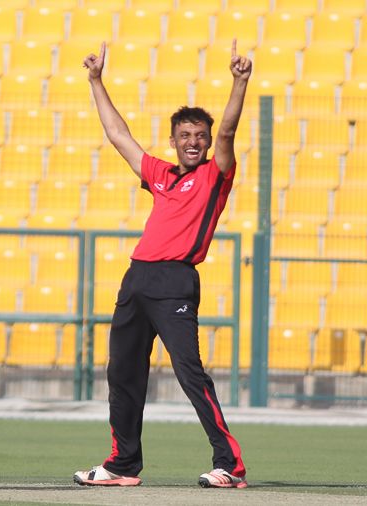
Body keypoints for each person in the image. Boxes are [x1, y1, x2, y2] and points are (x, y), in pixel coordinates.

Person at [73, 40, 251, 489]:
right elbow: (119, 136)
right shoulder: (161, 174)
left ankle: (230, 465)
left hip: (175, 281)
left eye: (200, 136)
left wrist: (239, 82)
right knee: (122, 373)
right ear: (173, 142)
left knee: (189, 373)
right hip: (137, 279)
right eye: (185, 136)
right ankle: (122, 464)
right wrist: (96, 81)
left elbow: (228, 133)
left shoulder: (215, 175)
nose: (193, 142)